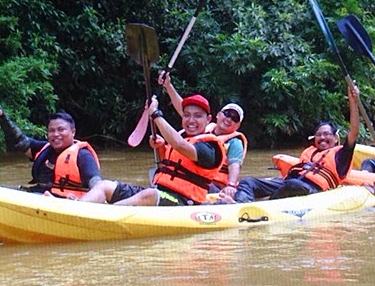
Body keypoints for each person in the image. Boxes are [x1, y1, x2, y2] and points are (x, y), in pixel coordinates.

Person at [80, 93, 225, 206]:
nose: (191, 120)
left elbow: (180, 145)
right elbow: (170, 167)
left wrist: (155, 114)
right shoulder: (183, 137)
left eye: (198, 116)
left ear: (208, 119)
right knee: (104, 185)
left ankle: (104, 215)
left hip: (185, 202)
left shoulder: (210, 148)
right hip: (160, 193)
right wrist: (161, 147)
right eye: (186, 115)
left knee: (150, 194)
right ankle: (78, 209)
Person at [229, 83, 360, 203]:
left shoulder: (341, 156)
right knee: (248, 182)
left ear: (336, 138)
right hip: (290, 182)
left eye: (326, 134)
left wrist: (353, 102)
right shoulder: (310, 153)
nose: (322, 138)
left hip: (312, 190)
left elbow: (353, 132)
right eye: (319, 135)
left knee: (292, 186)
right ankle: (240, 206)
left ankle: (266, 203)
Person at [158, 71, 247, 200]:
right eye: (227, 114)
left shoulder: (234, 142)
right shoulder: (204, 130)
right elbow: (184, 110)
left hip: (214, 186)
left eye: (234, 118)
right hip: (196, 178)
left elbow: (234, 165)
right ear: (218, 115)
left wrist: (231, 185)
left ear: (237, 126)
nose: (229, 119)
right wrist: (168, 86)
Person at [0, 101, 102, 198]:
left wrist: (83, 202)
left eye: (61, 130)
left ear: (73, 132)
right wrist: (1, 116)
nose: (56, 134)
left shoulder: (83, 156)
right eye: (51, 130)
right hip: (39, 197)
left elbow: (97, 185)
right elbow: (18, 140)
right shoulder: (44, 149)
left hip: (66, 204)